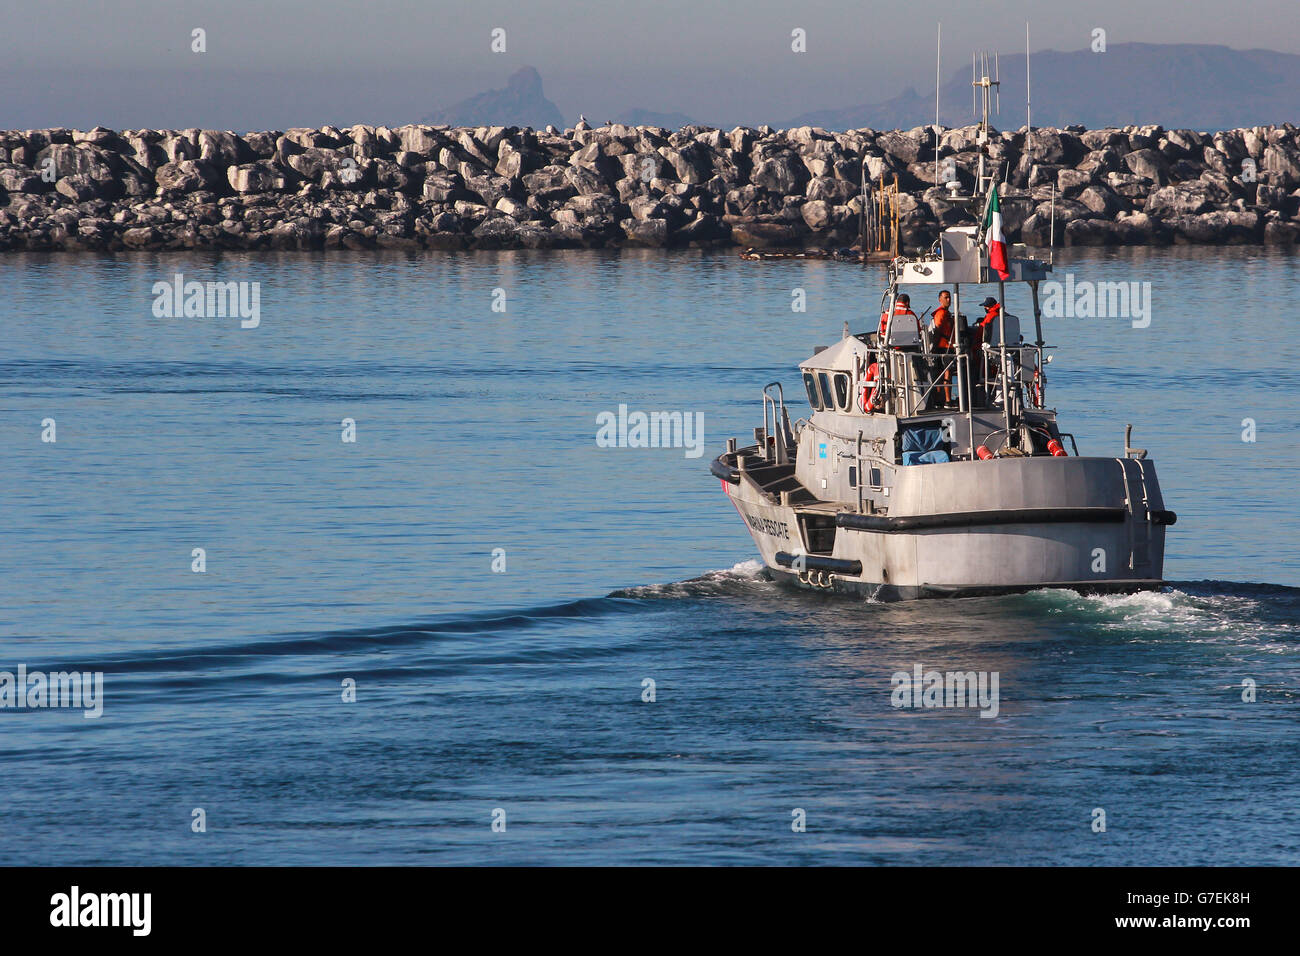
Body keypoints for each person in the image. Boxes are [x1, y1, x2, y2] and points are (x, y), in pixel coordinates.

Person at [930, 290, 955, 406]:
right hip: (943, 347)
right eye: (946, 298)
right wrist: (934, 347)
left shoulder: (947, 313)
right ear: (940, 299)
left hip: (947, 346)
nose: (948, 300)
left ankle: (939, 400)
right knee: (946, 373)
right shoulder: (941, 313)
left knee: (942, 373)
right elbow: (938, 330)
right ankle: (947, 400)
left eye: (949, 297)